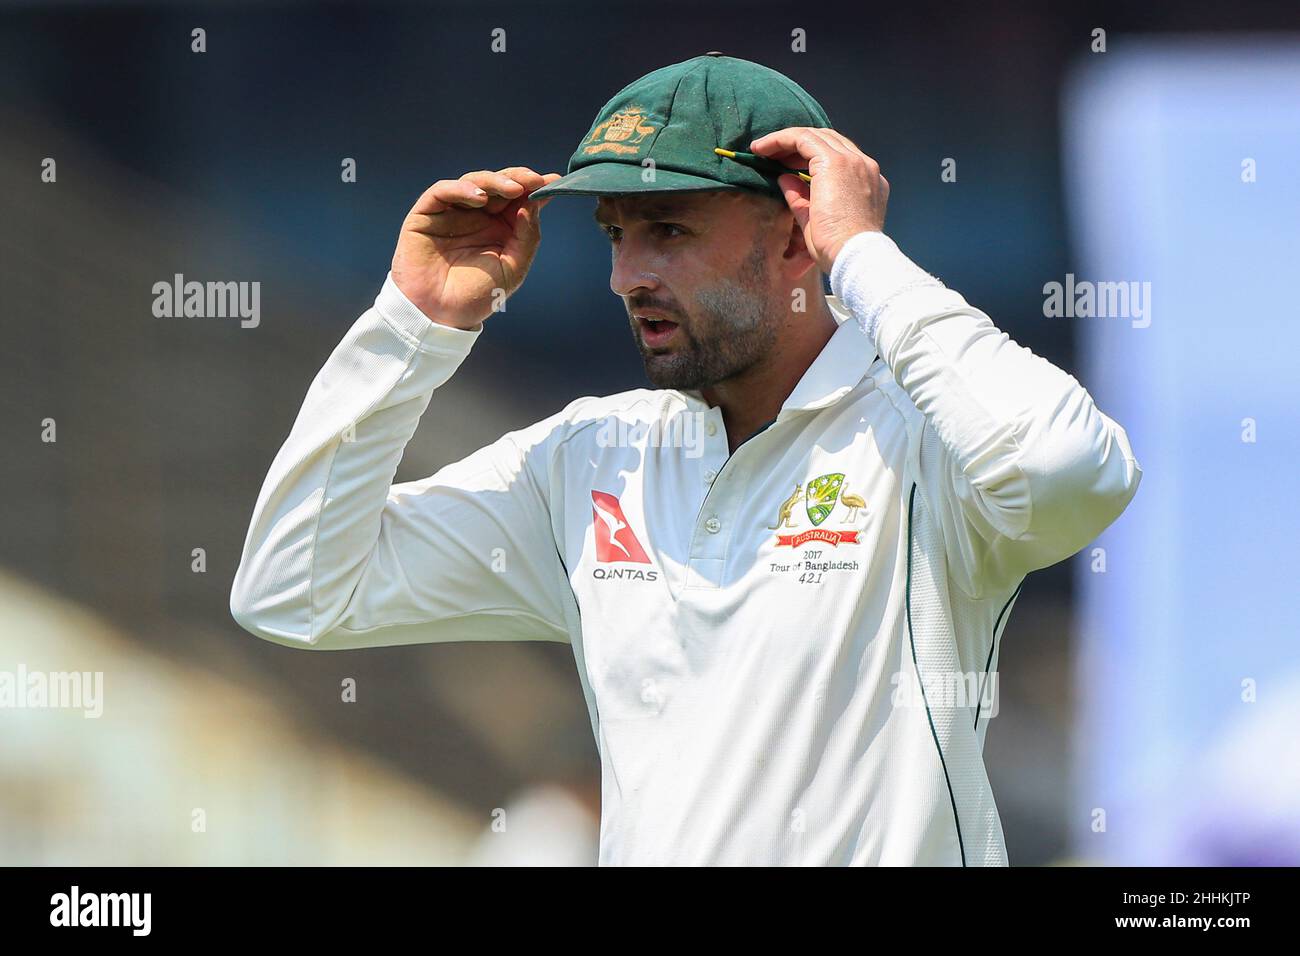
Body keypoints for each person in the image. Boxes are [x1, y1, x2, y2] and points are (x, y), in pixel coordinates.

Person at [230, 53, 1142, 865]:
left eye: (667, 230)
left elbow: (1070, 467)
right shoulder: (591, 455)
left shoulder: (926, 439)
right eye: (615, 235)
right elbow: (295, 587)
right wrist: (413, 323)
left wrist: (864, 256)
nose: (627, 275)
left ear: (795, 235)